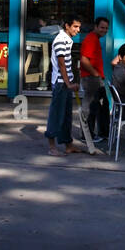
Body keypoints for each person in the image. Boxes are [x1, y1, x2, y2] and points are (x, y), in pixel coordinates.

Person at [44, 15, 84, 157]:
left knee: (67, 116)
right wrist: (68, 83)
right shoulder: (61, 40)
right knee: (56, 115)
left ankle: (68, 145)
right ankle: (52, 147)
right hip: (61, 84)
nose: (78, 30)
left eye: (79, 27)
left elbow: (67, 64)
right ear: (67, 26)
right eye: (75, 27)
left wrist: (72, 81)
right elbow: (61, 64)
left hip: (66, 83)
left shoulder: (67, 40)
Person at [79, 17, 110, 140]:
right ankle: (87, 135)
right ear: (95, 26)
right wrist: (95, 73)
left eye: (106, 28)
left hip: (95, 78)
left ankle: (100, 133)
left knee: (101, 106)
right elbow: (84, 60)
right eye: (102, 27)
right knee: (90, 107)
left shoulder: (95, 39)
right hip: (91, 78)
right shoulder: (91, 39)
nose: (104, 30)